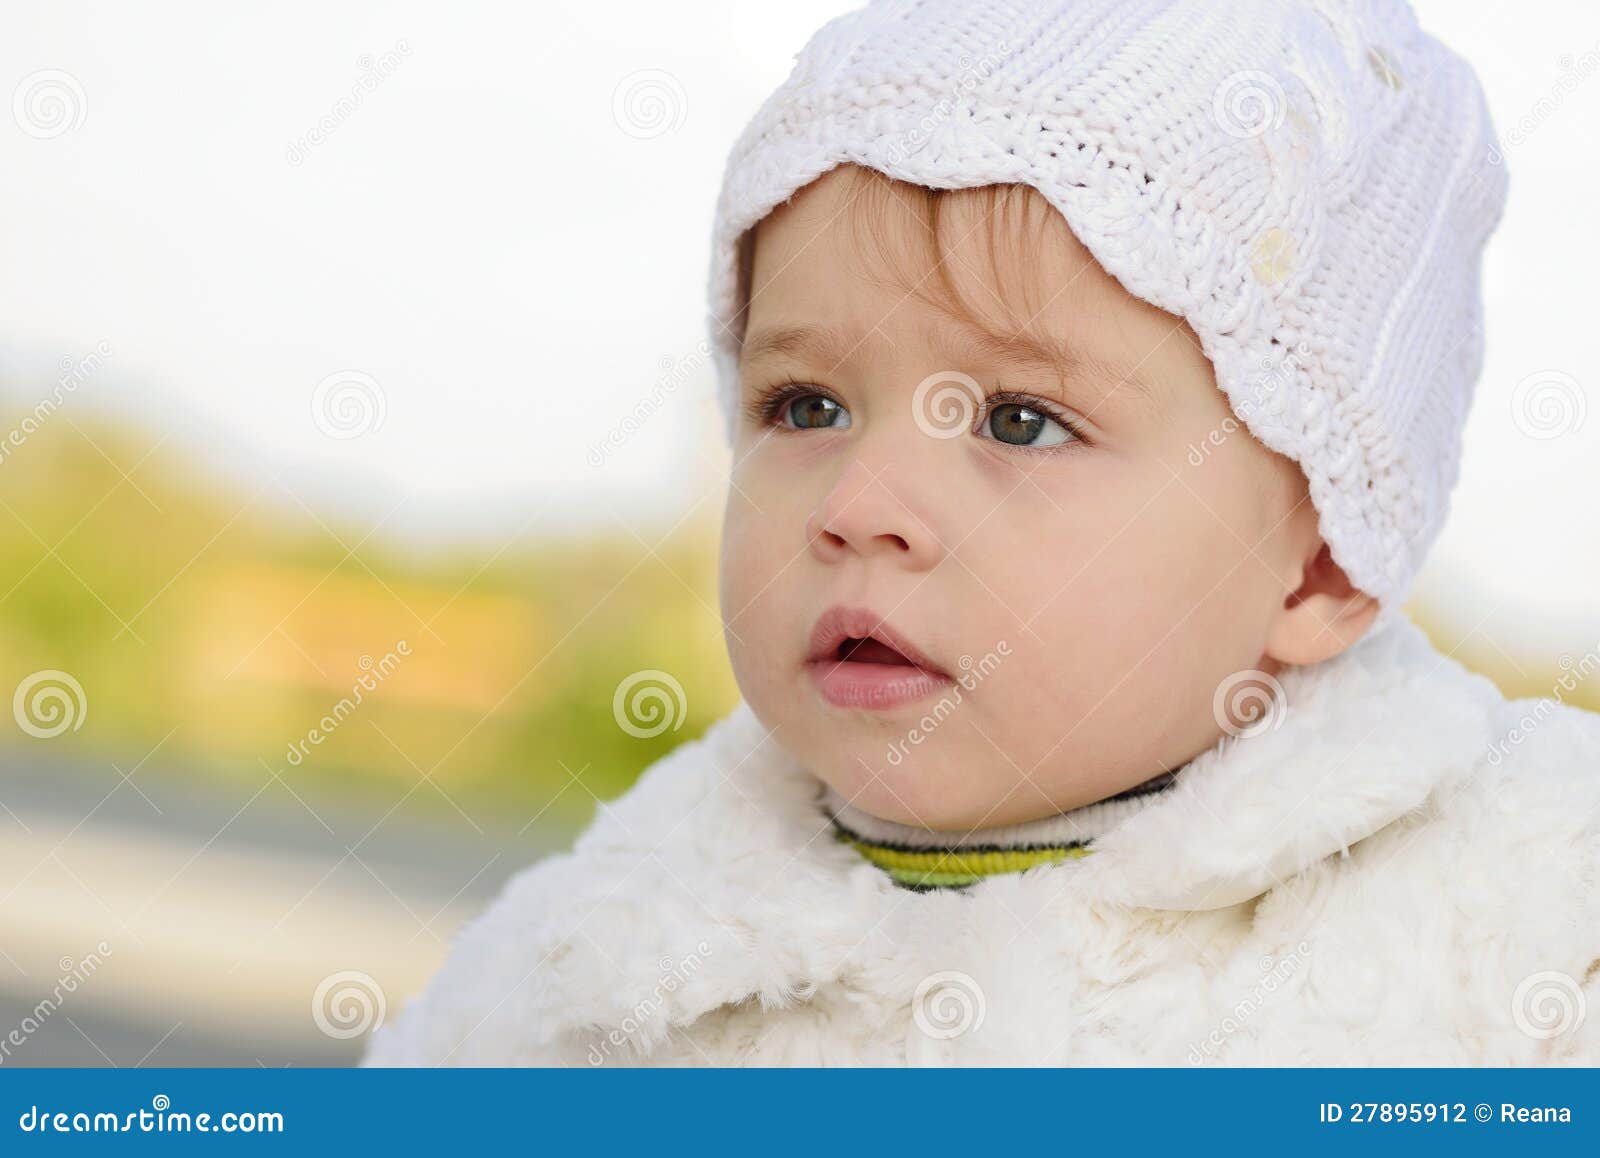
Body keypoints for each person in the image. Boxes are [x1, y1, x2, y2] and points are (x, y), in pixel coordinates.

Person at [362, 0, 1600, 1065]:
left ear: (1323, 561)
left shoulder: (1525, 928)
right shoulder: (588, 967)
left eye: (1019, 422)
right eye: (805, 406)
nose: (858, 510)